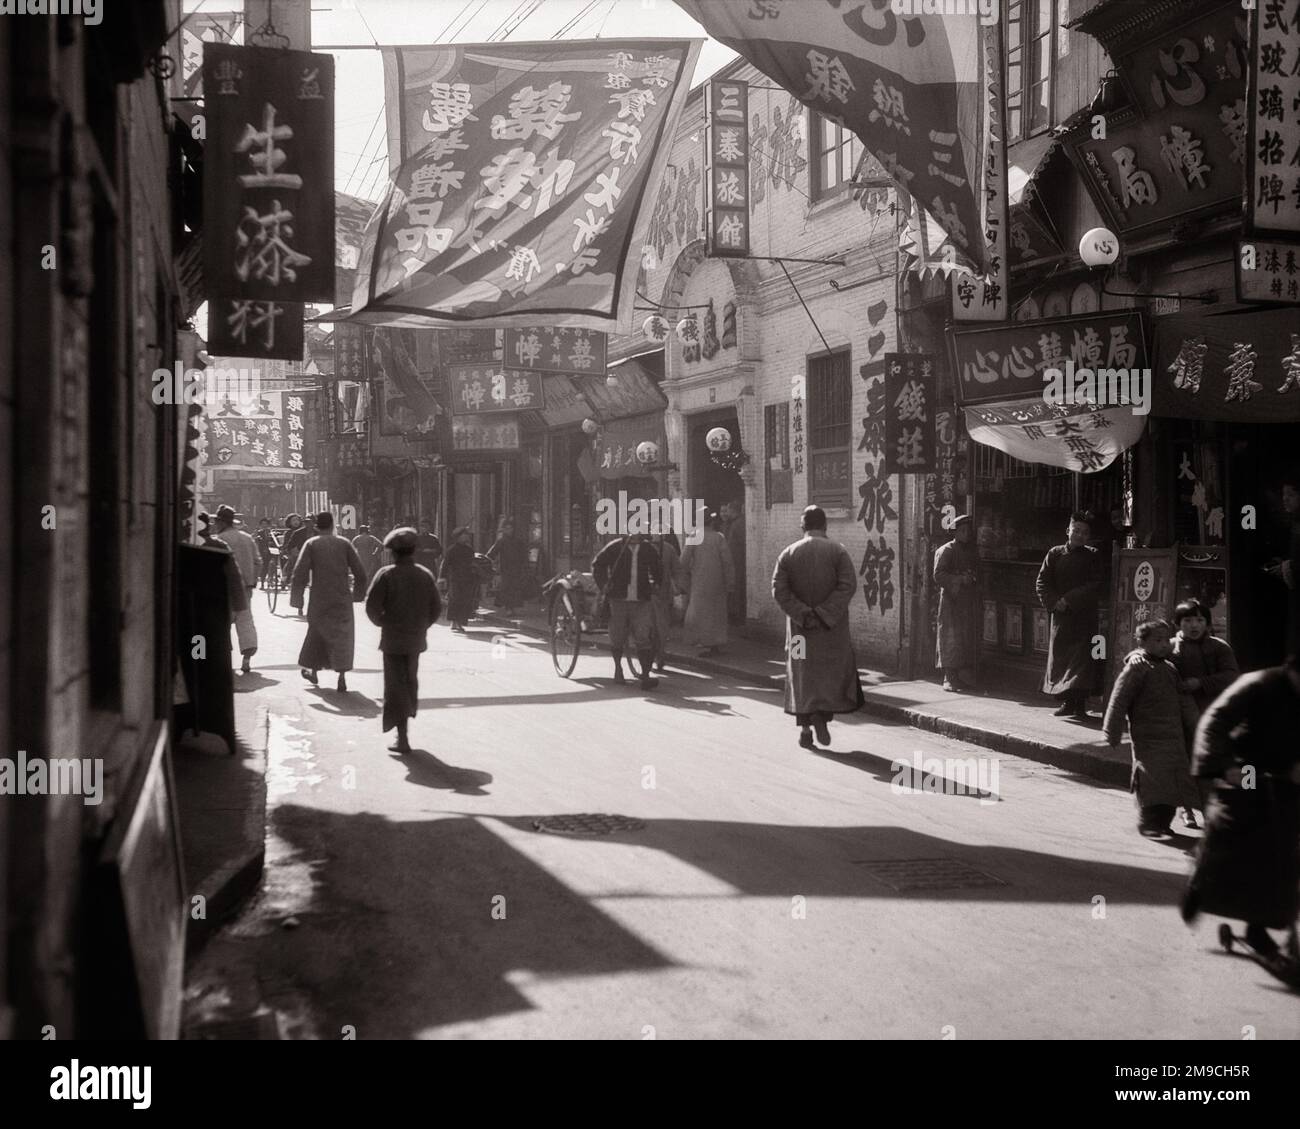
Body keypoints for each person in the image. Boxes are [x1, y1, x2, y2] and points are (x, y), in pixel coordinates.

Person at [1182, 655, 1300, 960]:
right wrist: (1224, 765)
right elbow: (1215, 720)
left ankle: (1258, 929)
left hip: (1286, 777)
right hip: (1245, 770)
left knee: (1280, 855)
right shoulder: (1259, 683)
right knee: (1231, 836)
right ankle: (1199, 885)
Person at [772, 505, 864, 750]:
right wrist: (824, 613)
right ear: (825, 526)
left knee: (801, 674)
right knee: (829, 674)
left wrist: (803, 613)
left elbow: (779, 590)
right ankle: (822, 716)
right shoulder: (838, 551)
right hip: (830, 631)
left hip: (800, 632)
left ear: (803, 526)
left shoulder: (788, 553)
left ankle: (805, 730)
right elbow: (847, 586)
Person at [1102, 620, 1200, 839]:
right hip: (1148, 738)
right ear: (1142, 642)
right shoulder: (1137, 667)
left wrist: (1197, 727)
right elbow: (1119, 699)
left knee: (1174, 782)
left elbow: (1184, 701)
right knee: (1151, 780)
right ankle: (1148, 822)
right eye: (1157, 640)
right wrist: (1112, 731)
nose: (1164, 645)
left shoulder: (1170, 669)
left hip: (1173, 737)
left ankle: (1163, 822)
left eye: (1166, 640)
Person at [365, 527, 442, 755]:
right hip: (415, 641)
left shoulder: (386, 575)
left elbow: (371, 607)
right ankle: (404, 730)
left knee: (395, 685)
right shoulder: (424, 575)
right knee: (409, 681)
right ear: (413, 551)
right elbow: (436, 608)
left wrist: (383, 623)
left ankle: (402, 736)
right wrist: (421, 626)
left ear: (393, 553)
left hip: (392, 640)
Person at [1171, 597, 1240, 828]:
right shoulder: (1170, 647)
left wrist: (1200, 682)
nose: (1194, 625)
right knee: (1183, 762)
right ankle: (1186, 809)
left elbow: (1231, 675)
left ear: (1208, 624)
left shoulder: (1220, 647)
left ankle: (1211, 809)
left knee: (1209, 763)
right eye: (1187, 620)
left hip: (1212, 715)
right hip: (1179, 715)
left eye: (1199, 620)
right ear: (1177, 623)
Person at [1035, 511, 1103, 720]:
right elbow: (1042, 582)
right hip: (1061, 617)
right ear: (1068, 531)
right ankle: (1067, 703)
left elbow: (1096, 584)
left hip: (1083, 615)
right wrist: (1055, 602)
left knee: (1083, 661)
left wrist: (1070, 600)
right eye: (1076, 530)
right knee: (1062, 658)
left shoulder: (1093, 555)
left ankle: (1080, 705)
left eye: (1085, 532)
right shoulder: (1055, 554)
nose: (1080, 535)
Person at [290, 511, 368, 692]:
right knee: (343, 636)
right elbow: (360, 573)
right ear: (333, 525)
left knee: (317, 634)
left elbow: (299, 573)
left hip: (319, 597)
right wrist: (358, 595)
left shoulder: (311, 544)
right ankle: (341, 676)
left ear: (317, 526)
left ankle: (314, 671)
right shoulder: (344, 543)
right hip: (342, 597)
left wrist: (297, 599)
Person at [593, 529, 662, 690]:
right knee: (617, 635)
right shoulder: (615, 547)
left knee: (643, 636)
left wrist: (657, 584)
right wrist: (604, 585)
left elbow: (658, 569)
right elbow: (598, 565)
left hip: (641, 599)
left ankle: (645, 675)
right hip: (618, 599)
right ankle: (618, 668)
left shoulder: (648, 549)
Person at [933, 513, 979, 692]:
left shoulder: (971, 551)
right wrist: (959, 580)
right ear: (956, 532)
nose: (967, 534)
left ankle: (962, 676)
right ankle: (949, 677)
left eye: (969, 531)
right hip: (951, 602)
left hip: (967, 601)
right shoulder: (946, 550)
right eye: (963, 531)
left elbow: (976, 571)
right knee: (950, 639)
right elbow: (938, 575)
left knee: (965, 638)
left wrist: (972, 578)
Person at [213, 504, 261, 673]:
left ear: (221, 521)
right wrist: (253, 580)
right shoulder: (247, 538)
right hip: (245, 587)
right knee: (245, 620)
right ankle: (246, 659)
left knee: (222, 623)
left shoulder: (218, 540)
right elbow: (258, 561)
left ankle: (225, 659)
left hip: (224, 587)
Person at [679, 512, 734, 656]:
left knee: (701, 613)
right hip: (718, 582)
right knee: (717, 613)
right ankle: (716, 644)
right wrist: (730, 583)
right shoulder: (719, 537)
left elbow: (683, 562)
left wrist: (684, 579)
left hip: (699, 581)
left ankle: (704, 643)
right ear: (711, 522)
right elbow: (727, 562)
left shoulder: (693, 537)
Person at [1265, 470, 1300, 659]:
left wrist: (1286, 568)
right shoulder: (1293, 521)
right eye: (1283, 495)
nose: (1285, 499)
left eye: (1291, 494)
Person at [648, 530, 681, 673]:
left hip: (658, 595)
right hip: (653, 595)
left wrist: (678, 586)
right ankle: (655, 657)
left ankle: (657, 657)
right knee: (657, 628)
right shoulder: (668, 548)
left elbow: (676, 570)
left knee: (656, 628)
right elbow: (677, 570)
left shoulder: (668, 549)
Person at [486, 516, 528, 615]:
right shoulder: (501, 541)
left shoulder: (517, 541)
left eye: (511, 528)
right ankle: (508, 608)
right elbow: (492, 553)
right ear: (504, 530)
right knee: (507, 588)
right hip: (506, 568)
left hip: (517, 568)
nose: (510, 531)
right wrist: (488, 562)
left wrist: (524, 564)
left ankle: (512, 608)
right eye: (507, 529)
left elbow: (523, 553)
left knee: (515, 588)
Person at [440, 526, 478, 633]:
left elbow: (473, 563)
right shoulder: (452, 549)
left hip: (467, 579)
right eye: (463, 535)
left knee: (465, 600)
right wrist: (442, 577)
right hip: (455, 579)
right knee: (455, 600)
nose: (465, 536)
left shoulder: (469, 550)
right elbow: (446, 563)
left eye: (466, 534)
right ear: (457, 537)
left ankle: (459, 622)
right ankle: (455, 622)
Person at [722, 500, 747, 625]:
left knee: (738, 588)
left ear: (733, 510)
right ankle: (734, 613)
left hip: (738, 561)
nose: (727, 513)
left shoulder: (738, 524)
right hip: (733, 561)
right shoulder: (733, 524)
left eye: (728, 510)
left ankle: (738, 615)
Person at [282, 513, 312, 604]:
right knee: (293, 561)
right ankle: (287, 576)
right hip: (297, 554)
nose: (296, 522)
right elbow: (288, 545)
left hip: (311, 555)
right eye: (293, 520)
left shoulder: (315, 531)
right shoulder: (291, 533)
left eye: (297, 520)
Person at [253, 517, 276, 585]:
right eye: (262, 524)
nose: (264, 525)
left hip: (272, 551)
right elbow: (255, 540)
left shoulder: (272, 532)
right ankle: (263, 581)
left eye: (265, 524)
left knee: (273, 565)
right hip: (262, 551)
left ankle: (271, 578)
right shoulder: (259, 532)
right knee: (264, 566)